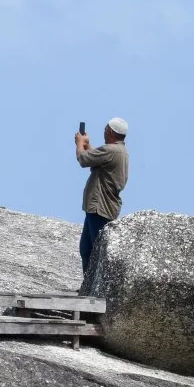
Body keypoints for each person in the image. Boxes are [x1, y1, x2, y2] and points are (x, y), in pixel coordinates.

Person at [75, 117, 130, 274]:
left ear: (111, 132)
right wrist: (87, 145)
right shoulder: (120, 151)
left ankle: (98, 288)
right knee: (86, 249)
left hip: (100, 206)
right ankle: (89, 285)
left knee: (96, 251)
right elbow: (97, 160)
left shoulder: (111, 150)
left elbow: (84, 159)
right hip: (99, 207)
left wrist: (79, 144)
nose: (104, 131)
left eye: (106, 129)